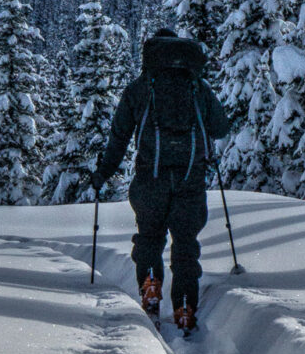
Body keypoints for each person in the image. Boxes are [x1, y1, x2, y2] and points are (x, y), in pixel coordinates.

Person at [90, 28, 230, 334]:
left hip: (150, 179)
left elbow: (119, 137)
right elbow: (220, 128)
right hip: (190, 179)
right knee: (185, 246)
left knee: (150, 239)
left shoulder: (141, 87)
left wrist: (103, 173)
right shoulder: (197, 86)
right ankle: (184, 307)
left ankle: (151, 287)